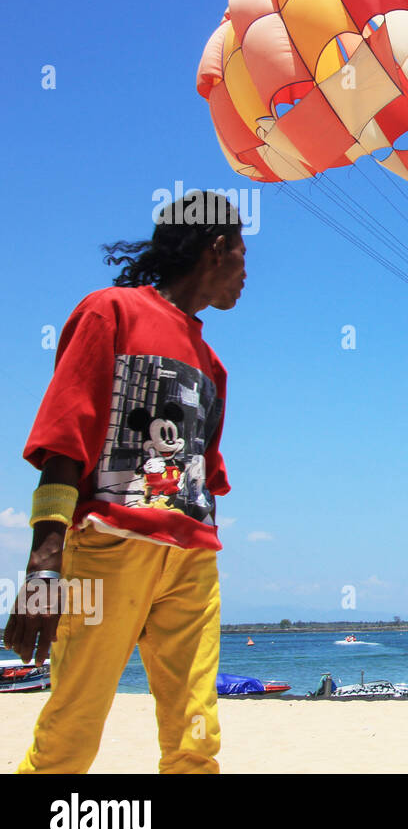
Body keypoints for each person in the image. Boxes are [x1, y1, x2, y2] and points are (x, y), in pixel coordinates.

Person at [3, 191, 246, 773]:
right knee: (74, 721)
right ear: (215, 250)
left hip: (192, 560)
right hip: (107, 550)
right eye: (241, 256)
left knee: (196, 731)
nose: (244, 274)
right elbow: (65, 440)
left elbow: (200, 479)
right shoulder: (110, 312)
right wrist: (42, 569)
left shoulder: (212, 365)